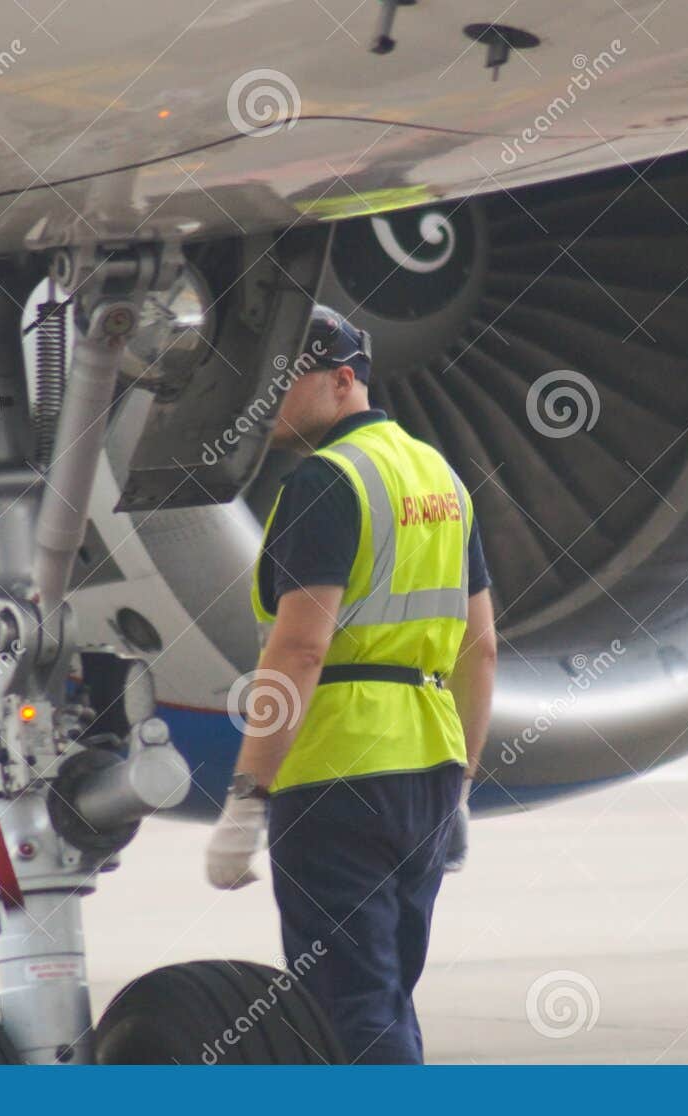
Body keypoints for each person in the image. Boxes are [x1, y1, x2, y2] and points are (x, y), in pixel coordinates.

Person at [204, 303, 497, 1064]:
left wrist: (245, 797)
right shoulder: (441, 478)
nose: (263, 401)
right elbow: (483, 647)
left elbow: (300, 648)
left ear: (341, 381)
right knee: (390, 991)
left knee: (351, 1006)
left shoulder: (327, 480)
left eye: (282, 382)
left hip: (339, 770)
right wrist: (461, 782)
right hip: (428, 769)